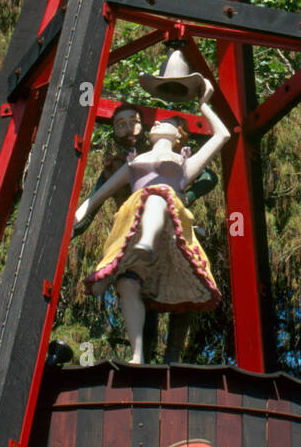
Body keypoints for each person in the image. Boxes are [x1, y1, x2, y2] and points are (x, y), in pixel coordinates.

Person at [73, 81, 229, 364]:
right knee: (133, 287)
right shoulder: (123, 165)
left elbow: (210, 170)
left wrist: (180, 198)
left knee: (183, 286)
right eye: (118, 123)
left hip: (169, 220)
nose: (125, 127)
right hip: (131, 227)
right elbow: (94, 200)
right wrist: (71, 227)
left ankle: (173, 357)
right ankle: (139, 356)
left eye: (131, 121)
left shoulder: (176, 157)